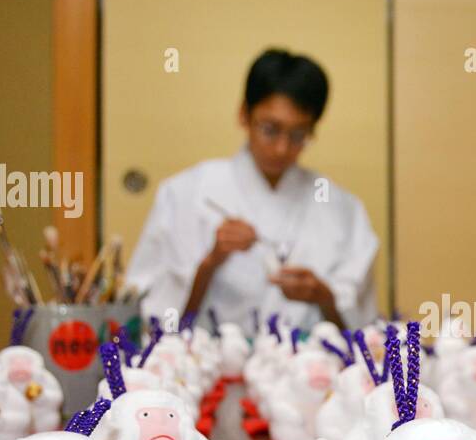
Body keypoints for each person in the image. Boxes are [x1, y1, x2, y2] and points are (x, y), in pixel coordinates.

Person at [126, 49, 379, 331]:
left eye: (298, 135)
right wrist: (210, 263)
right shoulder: (186, 192)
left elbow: (362, 328)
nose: (282, 148)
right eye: (270, 129)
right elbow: (147, 314)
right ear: (244, 114)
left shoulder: (342, 207)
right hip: (208, 366)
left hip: (308, 368)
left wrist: (323, 297)